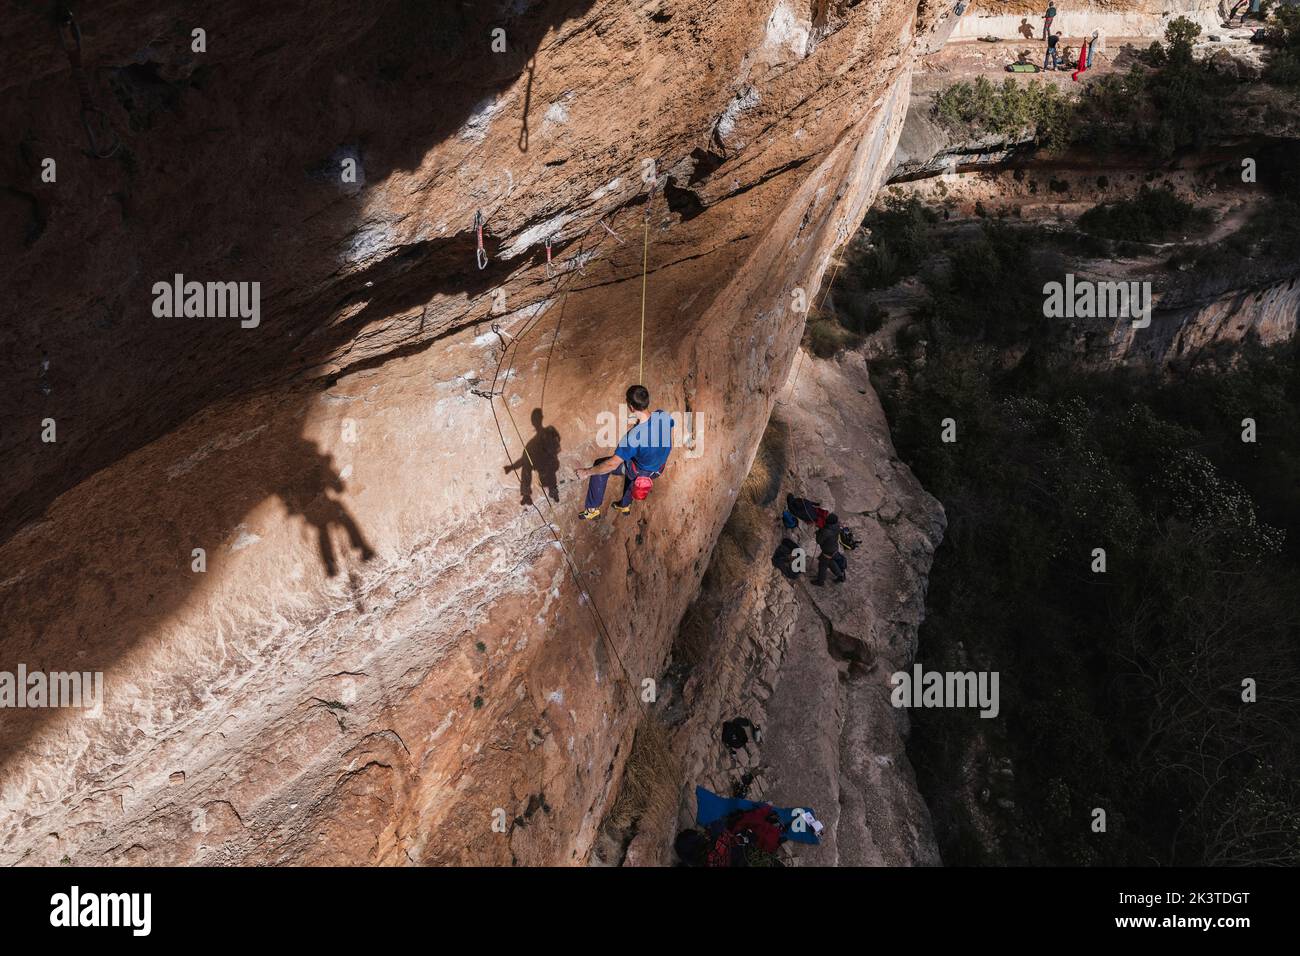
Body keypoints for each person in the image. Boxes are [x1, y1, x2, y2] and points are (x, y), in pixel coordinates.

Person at [576, 384, 673, 519]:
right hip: (657, 469)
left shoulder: (633, 438)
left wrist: (587, 472)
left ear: (631, 407)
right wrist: (643, 425)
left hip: (639, 471)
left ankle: (592, 510)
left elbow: (611, 465)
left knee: (601, 465)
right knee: (634, 465)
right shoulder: (663, 416)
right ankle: (625, 505)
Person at [812, 513, 847, 586]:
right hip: (834, 549)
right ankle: (840, 575)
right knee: (830, 562)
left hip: (827, 551)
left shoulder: (826, 531)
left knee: (822, 565)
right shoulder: (837, 527)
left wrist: (818, 533)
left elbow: (819, 541)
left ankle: (820, 582)